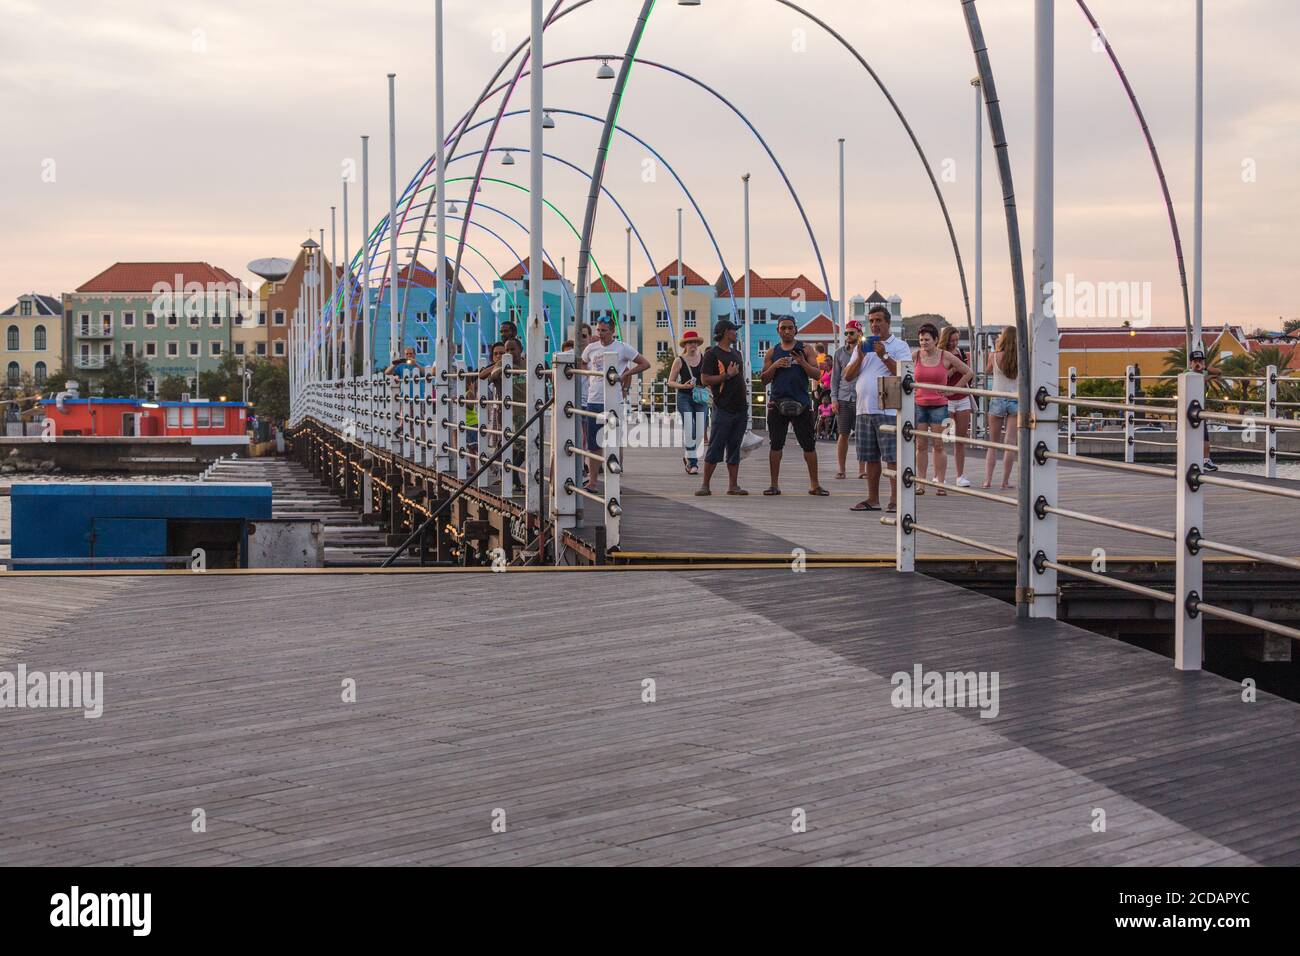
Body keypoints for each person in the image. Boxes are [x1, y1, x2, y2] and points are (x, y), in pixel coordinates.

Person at [845, 306, 912, 512]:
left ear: (888, 323)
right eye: (871, 321)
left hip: (888, 409)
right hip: (864, 409)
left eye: (878, 321)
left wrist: (884, 356)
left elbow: (904, 376)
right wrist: (862, 357)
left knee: (891, 457)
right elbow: (847, 376)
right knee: (870, 457)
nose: (874, 325)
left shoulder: (899, 346)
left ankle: (895, 500)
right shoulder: (861, 347)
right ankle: (873, 499)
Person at [759, 316, 827, 495]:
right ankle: (774, 484)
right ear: (778, 331)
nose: (787, 331)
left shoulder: (805, 349)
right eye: (783, 328)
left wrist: (802, 362)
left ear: (795, 329)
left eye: (790, 328)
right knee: (776, 445)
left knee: (809, 445)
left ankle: (815, 484)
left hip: (801, 404)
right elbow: (763, 379)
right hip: (777, 403)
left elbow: (817, 375)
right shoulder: (772, 352)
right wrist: (775, 366)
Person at [580, 317, 650, 490]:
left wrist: (626, 374)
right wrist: (588, 375)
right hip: (593, 399)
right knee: (594, 444)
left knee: (612, 441)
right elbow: (583, 361)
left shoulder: (622, 347)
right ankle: (593, 481)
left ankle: (614, 483)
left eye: (604, 330)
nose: (601, 334)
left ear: (612, 331)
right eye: (598, 330)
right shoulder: (591, 348)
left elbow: (645, 363)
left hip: (613, 401)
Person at [912, 323, 974, 495]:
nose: (923, 343)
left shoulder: (945, 356)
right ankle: (921, 483)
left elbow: (968, 372)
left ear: (936, 340)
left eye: (927, 339)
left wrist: (953, 390)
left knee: (939, 445)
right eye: (921, 340)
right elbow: (900, 372)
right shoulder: (915, 356)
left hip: (940, 405)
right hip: (920, 405)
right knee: (921, 445)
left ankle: (941, 484)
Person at [697, 319, 749, 496]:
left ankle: (733, 486)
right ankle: (705, 485)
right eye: (734, 330)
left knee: (735, 446)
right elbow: (704, 379)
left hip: (740, 408)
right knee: (716, 445)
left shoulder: (737, 354)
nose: (736, 333)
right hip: (723, 407)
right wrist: (727, 375)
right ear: (726, 332)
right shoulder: (712, 354)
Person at [937, 325, 975, 487]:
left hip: (962, 399)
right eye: (951, 340)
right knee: (945, 438)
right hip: (946, 401)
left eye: (957, 340)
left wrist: (958, 387)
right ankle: (940, 475)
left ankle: (960, 475)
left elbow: (968, 374)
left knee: (960, 439)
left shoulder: (960, 353)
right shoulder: (939, 355)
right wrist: (953, 367)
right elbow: (940, 378)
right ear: (945, 339)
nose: (954, 343)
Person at [667, 329, 709, 475]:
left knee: (700, 430)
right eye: (689, 342)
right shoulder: (679, 360)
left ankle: (688, 455)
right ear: (685, 345)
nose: (693, 345)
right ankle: (693, 463)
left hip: (701, 397)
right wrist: (683, 386)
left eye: (695, 342)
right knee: (690, 429)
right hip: (684, 397)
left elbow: (708, 378)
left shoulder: (704, 358)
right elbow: (670, 382)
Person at [984, 326, 1019, 489]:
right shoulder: (1022, 358)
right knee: (1010, 442)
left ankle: (988, 480)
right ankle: (1005, 481)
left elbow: (987, 370)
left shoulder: (994, 356)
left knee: (993, 443)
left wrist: (996, 347)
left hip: (997, 398)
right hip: (1015, 399)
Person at [830, 320, 864, 479]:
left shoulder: (866, 351)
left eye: (852, 332)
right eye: (846, 333)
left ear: (859, 333)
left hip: (861, 398)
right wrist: (834, 399)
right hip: (843, 397)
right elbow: (835, 378)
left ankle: (862, 469)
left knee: (863, 435)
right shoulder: (839, 353)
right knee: (843, 434)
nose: (848, 336)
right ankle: (841, 469)